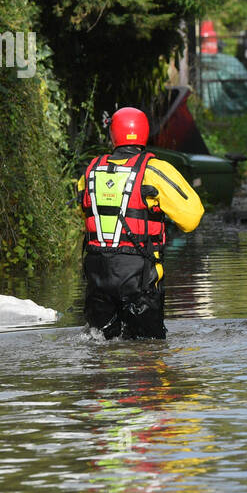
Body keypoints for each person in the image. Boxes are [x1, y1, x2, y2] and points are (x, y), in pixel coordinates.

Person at [77, 107, 204, 339]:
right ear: (145, 133)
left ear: (113, 134)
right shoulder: (154, 170)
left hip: (97, 278)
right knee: (147, 355)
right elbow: (192, 217)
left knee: (99, 350)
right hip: (140, 278)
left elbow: (85, 213)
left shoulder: (90, 170)